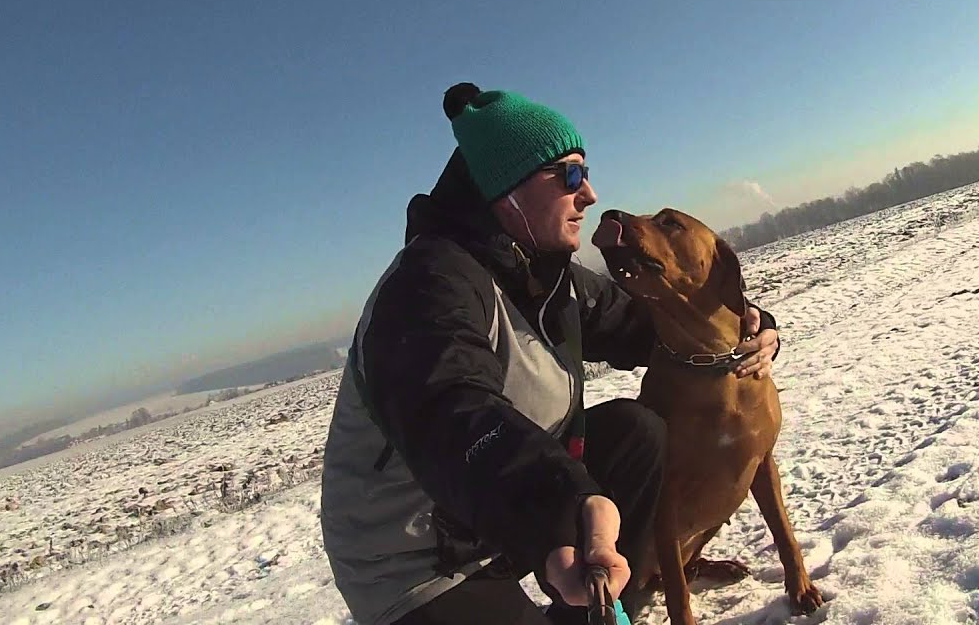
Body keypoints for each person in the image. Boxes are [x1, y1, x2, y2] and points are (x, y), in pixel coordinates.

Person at [319, 83, 783, 625]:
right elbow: (453, 413)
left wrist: (753, 326)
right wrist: (565, 501)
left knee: (638, 431)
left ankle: (610, 607)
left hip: (510, 512)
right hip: (418, 558)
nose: (588, 194)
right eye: (568, 175)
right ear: (507, 188)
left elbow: (650, 329)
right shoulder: (427, 287)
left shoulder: (548, 276)